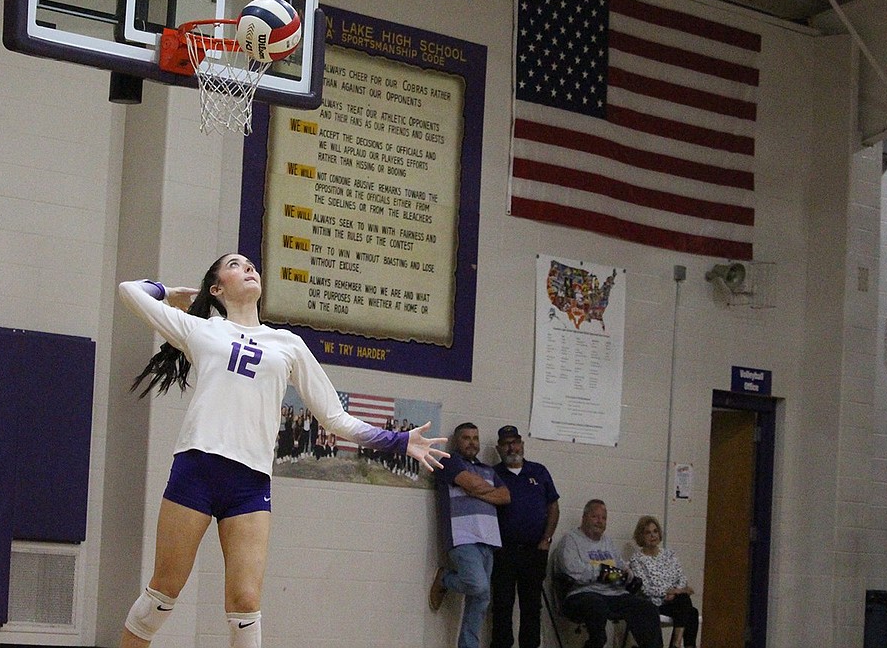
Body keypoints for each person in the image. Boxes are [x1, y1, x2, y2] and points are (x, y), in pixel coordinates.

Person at [115, 254, 449, 648]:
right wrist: (171, 293)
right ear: (217, 288)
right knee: (163, 595)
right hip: (197, 468)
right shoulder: (200, 330)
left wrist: (398, 440)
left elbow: (335, 418)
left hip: (251, 483)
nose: (249, 268)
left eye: (252, 265)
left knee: (245, 607)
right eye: (236, 265)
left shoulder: (288, 344)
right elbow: (129, 291)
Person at [429, 423, 511, 648]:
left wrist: (477, 492)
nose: (472, 442)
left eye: (475, 438)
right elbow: (470, 483)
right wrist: (478, 489)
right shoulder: (448, 461)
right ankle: (445, 578)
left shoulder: (489, 469)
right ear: (457, 441)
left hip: (489, 539)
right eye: (466, 438)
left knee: (481, 600)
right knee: (478, 586)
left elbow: (505, 497)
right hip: (462, 536)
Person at [553, 499, 663, 648]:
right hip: (583, 594)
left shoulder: (608, 542)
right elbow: (572, 571)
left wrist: (626, 573)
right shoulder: (570, 540)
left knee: (647, 608)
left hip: (613, 594)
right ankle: (594, 644)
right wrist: (603, 572)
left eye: (604, 518)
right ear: (584, 518)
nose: (600, 521)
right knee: (596, 606)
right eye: (595, 517)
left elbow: (621, 568)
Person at [490, 424, 559, 648]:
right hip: (504, 551)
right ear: (499, 448)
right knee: (502, 606)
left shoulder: (539, 472)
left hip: (534, 551)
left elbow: (553, 506)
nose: (512, 448)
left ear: (522, 444)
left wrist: (546, 539)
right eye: (506, 444)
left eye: (515, 442)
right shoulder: (493, 474)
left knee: (531, 608)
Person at [628, 516, 698, 648]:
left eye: (655, 531)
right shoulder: (637, 559)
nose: (653, 535)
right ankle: (677, 644)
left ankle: (677, 643)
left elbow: (681, 577)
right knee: (689, 608)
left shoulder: (669, 555)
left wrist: (676, 592)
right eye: (648, 532)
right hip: (655, 604)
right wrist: (669, 592)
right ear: (641, 536)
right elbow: (644, 588)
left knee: (689, 608)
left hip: (675, 601)